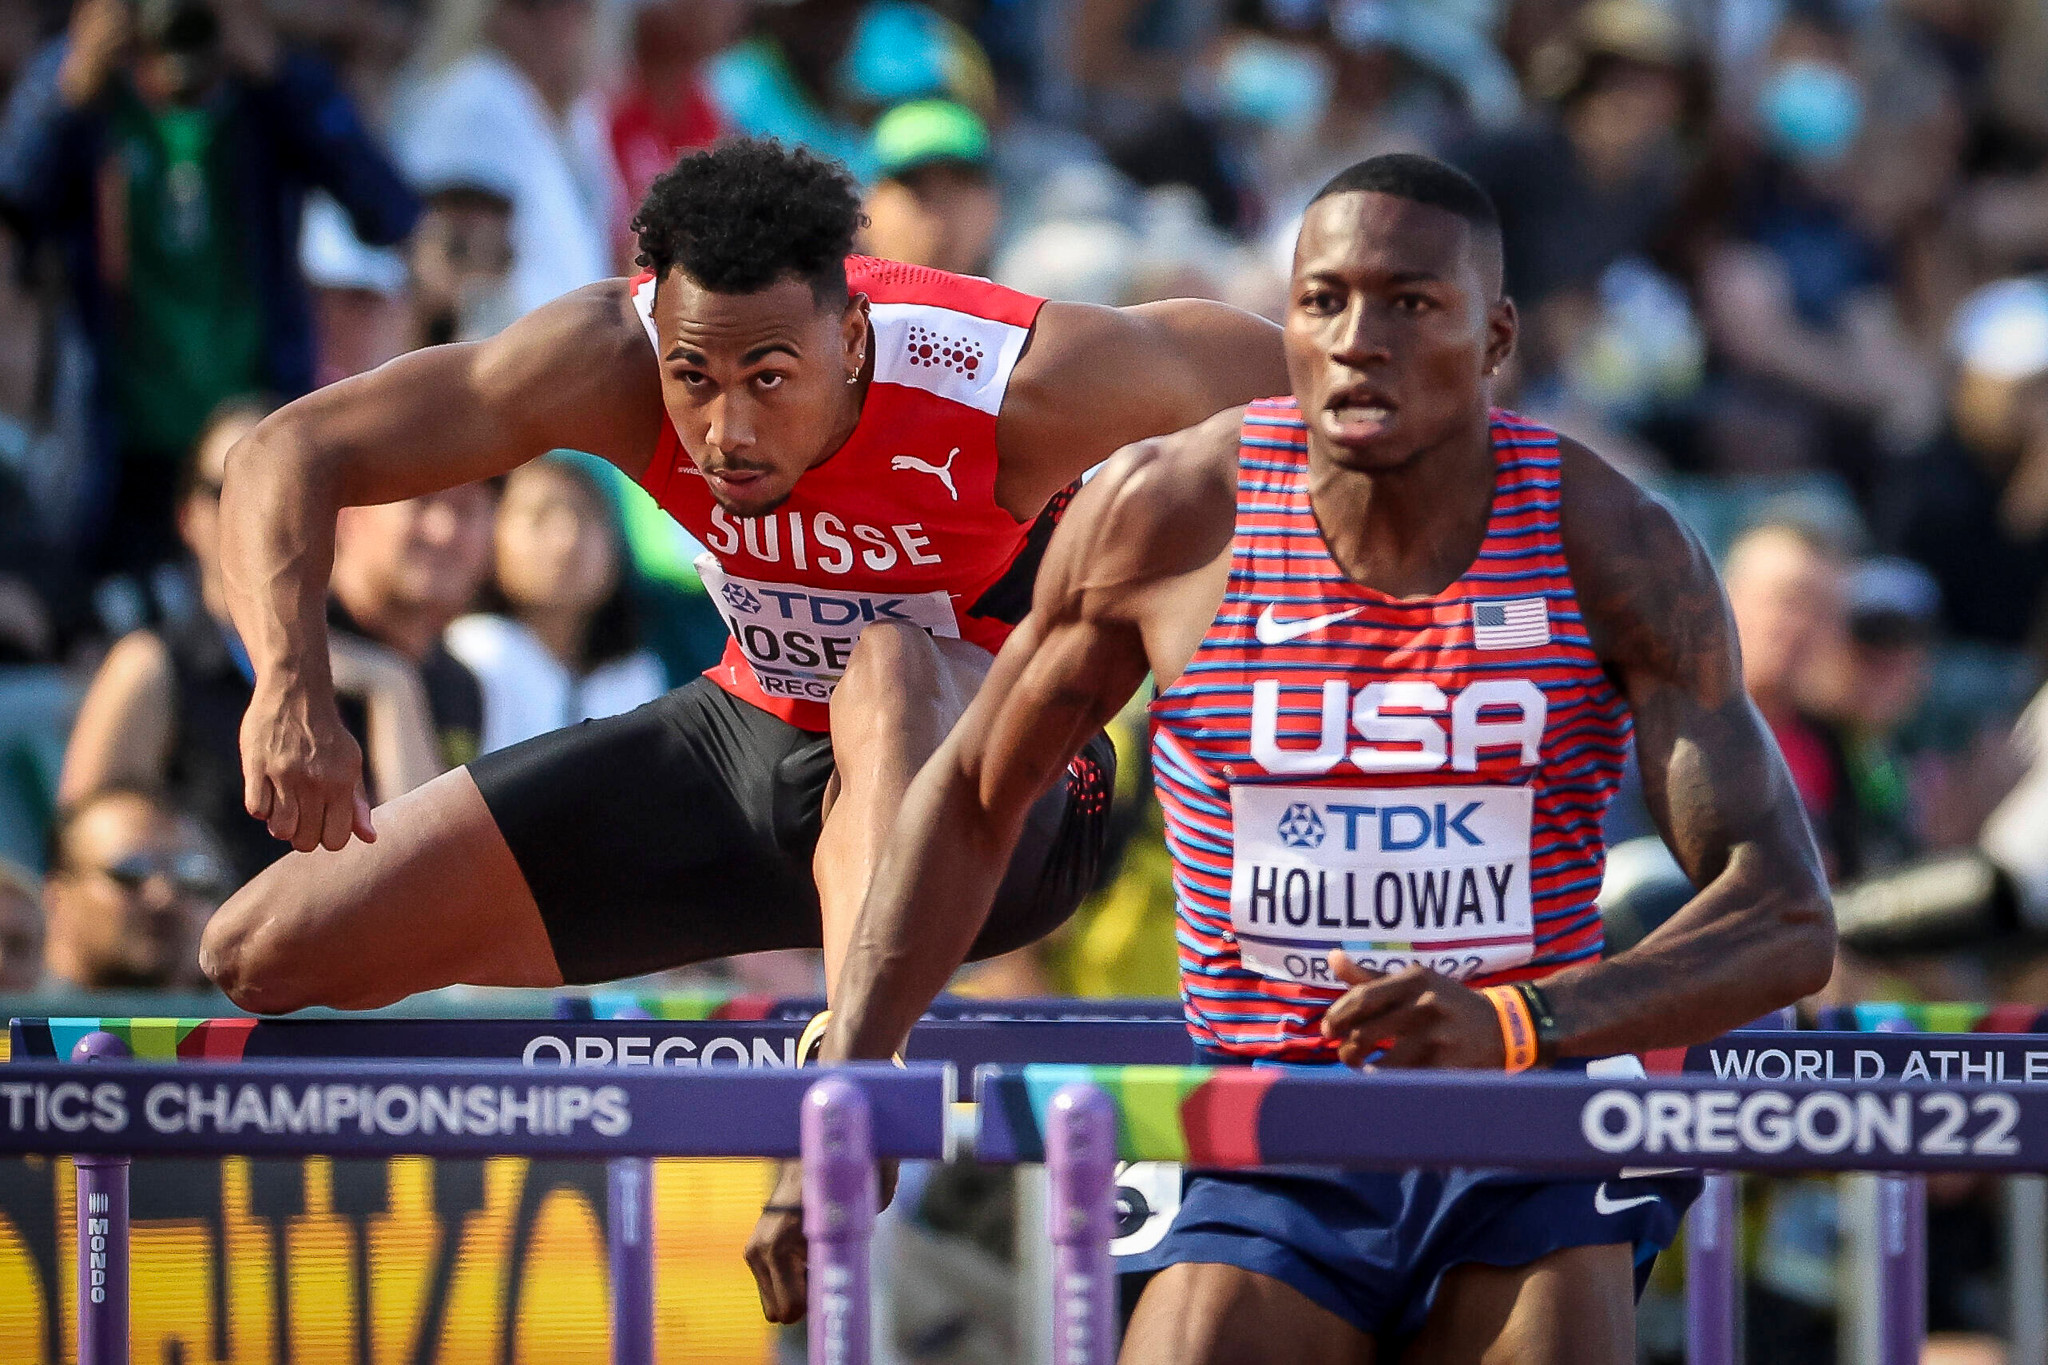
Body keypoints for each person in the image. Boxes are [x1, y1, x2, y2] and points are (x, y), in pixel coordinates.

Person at [804, 153, 1835, 1357]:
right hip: (1267, 1126)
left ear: (1494, 335)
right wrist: (851, 1086)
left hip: (1521, 1128)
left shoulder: (1610, 540)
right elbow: (976, 796)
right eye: (1323, 300)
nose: (1358, 339)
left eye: (1409, 303)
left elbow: (1782, 916)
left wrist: (1518, 1025)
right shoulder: (1167, 512)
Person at [197, 138, 1284, 1038]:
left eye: (769, 379)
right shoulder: (601, 357)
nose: (726, 433)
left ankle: (858, 1077)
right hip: (749, 749)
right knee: (260, 951)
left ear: (851, 339)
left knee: (888, 663)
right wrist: (290, 685)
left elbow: (1332, 400)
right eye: (692, 381)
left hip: (996, 800)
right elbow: (286, 453)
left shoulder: (1019, 378)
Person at [0, 0, 417, 575]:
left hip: (251, 434)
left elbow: (389, 213)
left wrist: (276, 69)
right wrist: (71, 88)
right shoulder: (82, 85)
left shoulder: (267, 89)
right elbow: (16, 212)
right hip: (114, 452)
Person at [60, 399, 448, 888]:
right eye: (227, 490)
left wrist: (391, 687)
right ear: (187, 518)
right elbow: (84, 860)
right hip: (206, 948)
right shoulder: (153, 666)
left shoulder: (378, 661)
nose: (257, 509)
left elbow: (430, 866)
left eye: (286, 487)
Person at [446, 453, 667, 755]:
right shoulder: (469, 656)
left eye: (588, 515)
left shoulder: (636, 676)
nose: (567, 540)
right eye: (538, 515)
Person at [328, 481, 496, 777]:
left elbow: (434, 823)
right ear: (348, 515)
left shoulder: (458, 687)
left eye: (466, 510)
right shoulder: (275, 651)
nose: (444, 532)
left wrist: (392, 687)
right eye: (422, 502)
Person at [43, 784, 226, 991]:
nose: (164, 896)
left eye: (190, 876)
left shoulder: (250, 1021)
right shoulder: (10, 1016)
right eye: (130, 873)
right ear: (57, 899)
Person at [857, 100, 1002, 276]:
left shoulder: (1030, 297)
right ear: (869, 206)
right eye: (916, 189)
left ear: (992, 206)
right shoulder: (830, 301)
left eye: (957, 186)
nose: (939, 217)